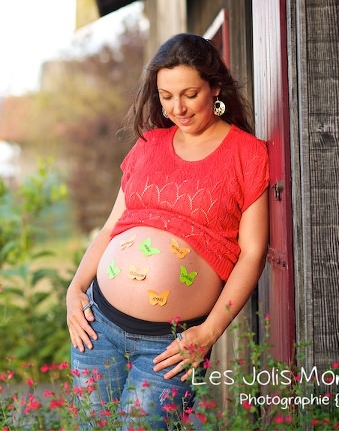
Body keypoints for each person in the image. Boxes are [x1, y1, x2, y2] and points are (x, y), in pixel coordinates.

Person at [66, 33, 270, 429]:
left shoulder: (247, 153)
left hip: (172, 345)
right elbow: (112, 228)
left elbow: (252, 253)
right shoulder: (148, 145)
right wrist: (74, 289)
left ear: (215, 87)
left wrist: (209, 333)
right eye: (166, 96)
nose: (177, 107)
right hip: (97, 327)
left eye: (189, 94)